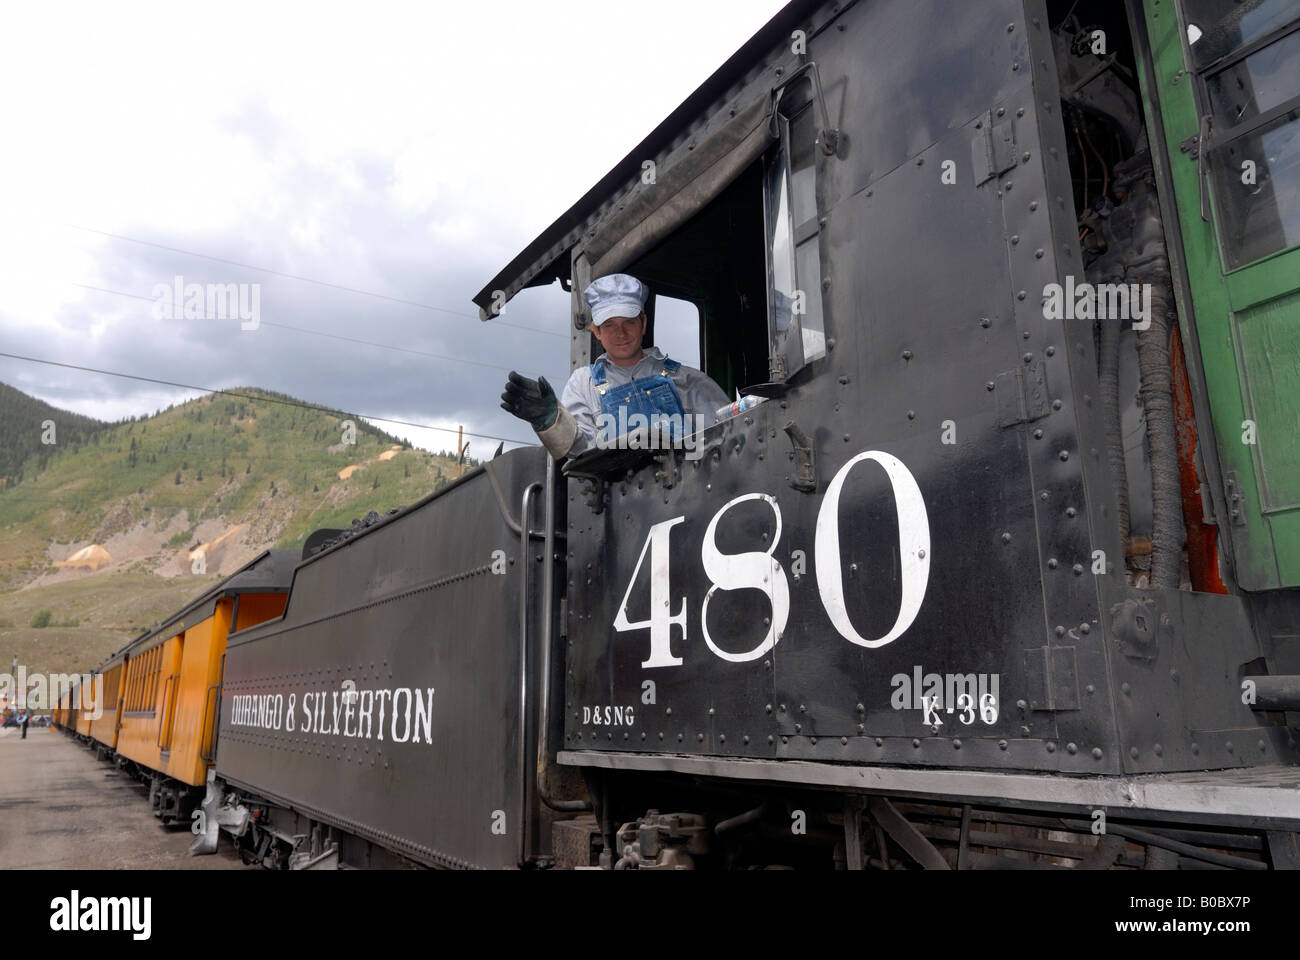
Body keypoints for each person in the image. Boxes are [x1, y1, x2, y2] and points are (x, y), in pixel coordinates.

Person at [501, 274, 730, 460]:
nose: (621, 333)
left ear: (643, 324)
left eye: (629, 322)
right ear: (596, 331)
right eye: (609, 325)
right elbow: (580, 451)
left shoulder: (689, 380)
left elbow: (728, 438)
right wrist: (552, 421)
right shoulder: (583, 383)